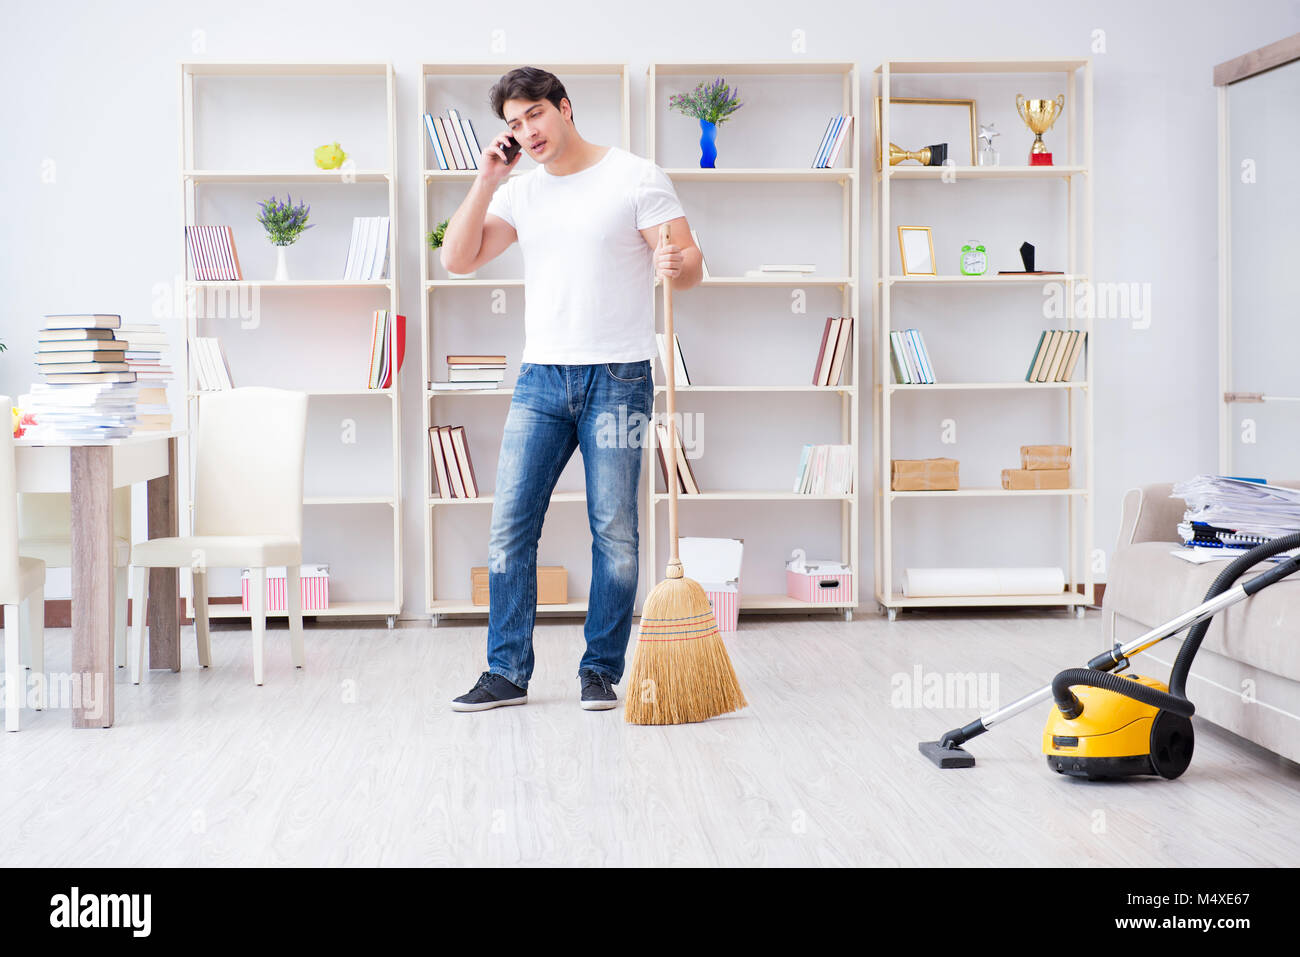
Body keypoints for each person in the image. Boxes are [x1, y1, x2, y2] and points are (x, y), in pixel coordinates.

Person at [443, 66, 703, 712]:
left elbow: (690, 266)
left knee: (614, 529)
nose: (526, 130)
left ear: (564, 107)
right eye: (513, 123)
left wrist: (677, 263)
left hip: (620, 375)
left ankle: (601, 670)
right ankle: (506, 671)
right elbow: (458, 257)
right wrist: (486, 181)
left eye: (534, 114)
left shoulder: (634, 176)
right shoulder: (520, 193)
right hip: (541, 378)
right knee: (509, 527)